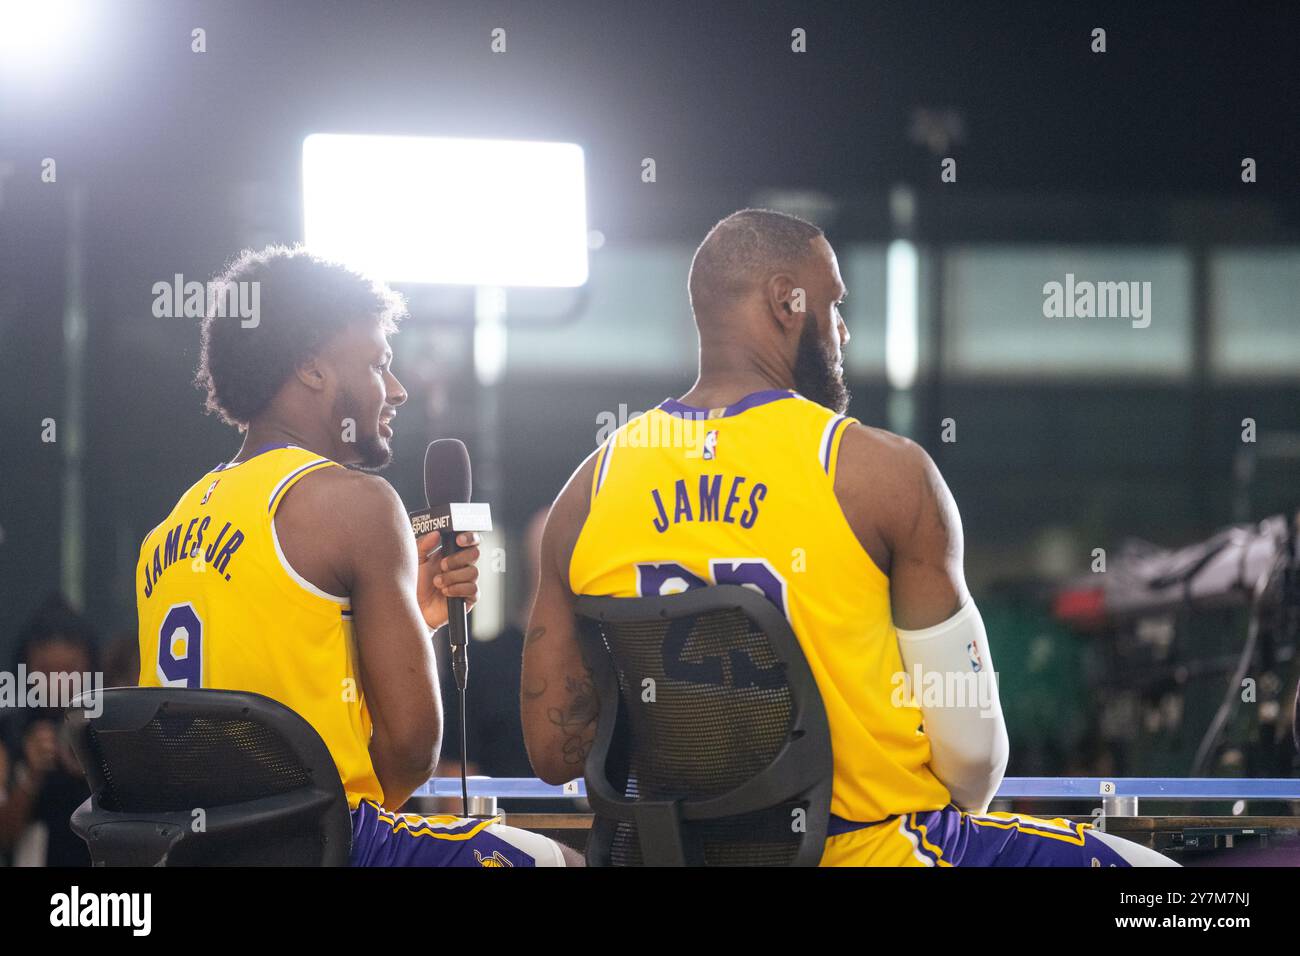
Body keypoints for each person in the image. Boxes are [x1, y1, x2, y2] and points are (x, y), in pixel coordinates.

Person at [521, 209, 1176, 866]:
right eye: (833, 306)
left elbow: (553, 756)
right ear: (786, 301)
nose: (843, 330)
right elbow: (974, 757)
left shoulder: (588, 490)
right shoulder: (878, 473)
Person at [137, 245, 577, 866]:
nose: (396, 390)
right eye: (377, 364)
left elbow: (277, 673)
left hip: (196, 855)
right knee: (566, 860)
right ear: (313, 369)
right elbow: (411, 750)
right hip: (318, 845)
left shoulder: (170, 528)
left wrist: (411, 617)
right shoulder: (357, 502)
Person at [0, 594, 95, 866]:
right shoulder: (10, 732)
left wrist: (94, 770)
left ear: (88, 666)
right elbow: (4, 835)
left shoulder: (109, 727)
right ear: (27, 667)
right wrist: (30, 776)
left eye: (69, 670)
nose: (58, 684)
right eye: (46, 671)